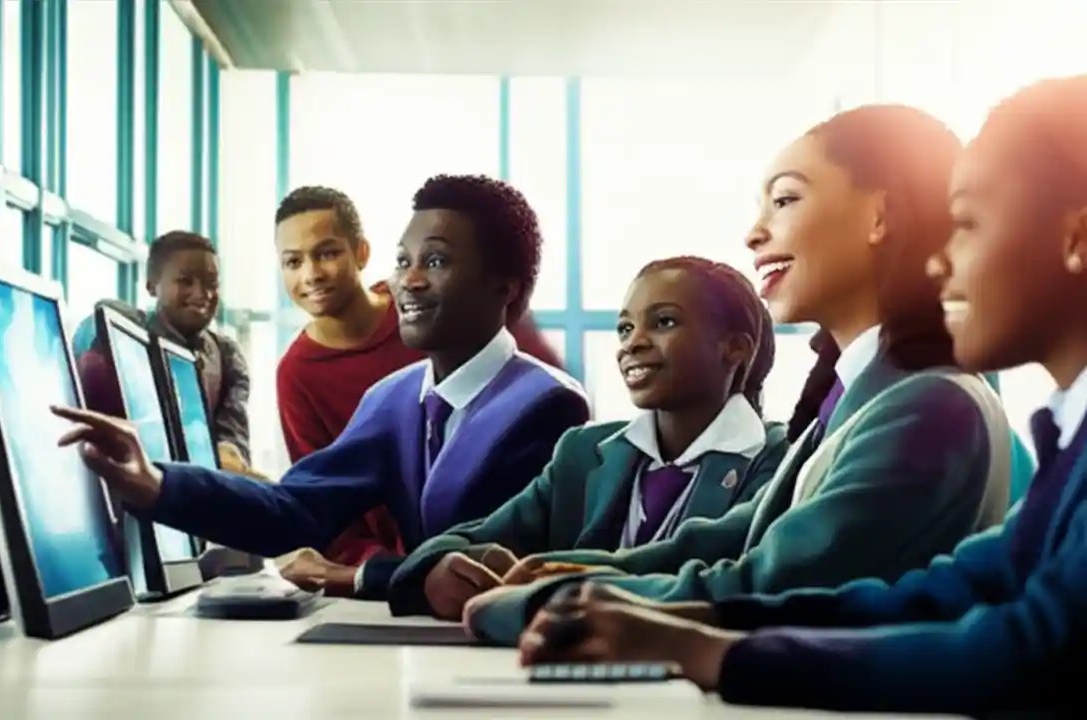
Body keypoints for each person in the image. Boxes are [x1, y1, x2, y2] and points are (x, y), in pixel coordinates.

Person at [513, 76, 1087, 716]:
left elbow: (1030, 649)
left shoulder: (933, 404)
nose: (939, 261)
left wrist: (702, 647)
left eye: (969, 224)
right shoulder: (871, 404)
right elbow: (944, 593)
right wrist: (652, 610)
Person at [462, 105, 1021, 645]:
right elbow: (737, 537)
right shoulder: (864, 395)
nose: (755, 232)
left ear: (880, 216)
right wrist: (570, 570)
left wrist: (552, 601)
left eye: (785, 199)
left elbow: (772, 584)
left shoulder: (927, 405)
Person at [52, 174, 590, 601]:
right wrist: (156, 484)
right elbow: (293, 507)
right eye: (404, 262)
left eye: (437, 261)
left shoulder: (546, 405)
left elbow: (476, 575)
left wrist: (358, 578)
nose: (410, 280)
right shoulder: (394, 398)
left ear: (505, 286)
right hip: (425, 647)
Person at [386, 257, 790, 620]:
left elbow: (709, 559)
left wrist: (554, 572)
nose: (633, 343)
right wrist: (439, 569)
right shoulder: (583, 453)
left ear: (736, 348)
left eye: (664, 321)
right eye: (625, 328)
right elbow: (466, 539)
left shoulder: (781, 459)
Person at [272, 185, 566, 579]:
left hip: (464, 574)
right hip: (403, 577)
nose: (311, 274)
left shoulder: (441, 319)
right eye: (293, 261)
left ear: (360, 252)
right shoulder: (313, 375)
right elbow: (319, 500)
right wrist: (372, 572)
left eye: (327, 253)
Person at [72, 230, 251, 470]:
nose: (202, 294)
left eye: (212, 283)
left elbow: (232, 434)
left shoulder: (227, 356)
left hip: (195, 485)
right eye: (185, 281)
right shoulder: (128, 331)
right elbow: (94, 327)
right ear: (151, 286)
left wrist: (229, 460)